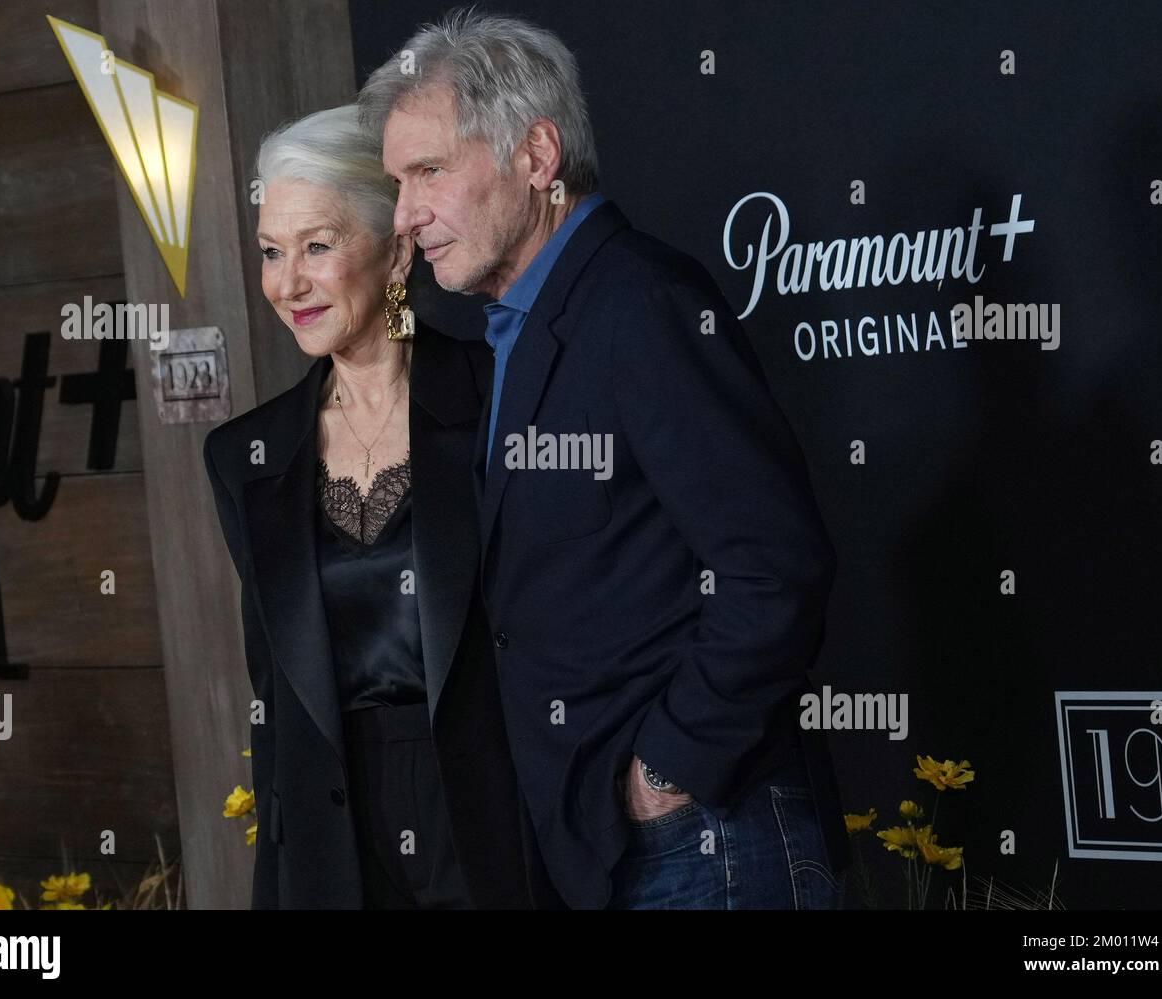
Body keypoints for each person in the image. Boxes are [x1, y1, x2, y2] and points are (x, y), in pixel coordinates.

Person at [359, 8, 850, 909]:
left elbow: (776, 568)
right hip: (614, 855)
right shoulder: (517, 329)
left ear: (537, 157)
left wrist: (665, 772)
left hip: (706, 841)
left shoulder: (640, 305)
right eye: (396, 183)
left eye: (429, 171)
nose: (405, 215)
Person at [202, 103, 557, 909]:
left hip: (499, 828)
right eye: (270, 252)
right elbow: (276, 709)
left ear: (397, 250)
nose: (286, 283)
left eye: (318, 246)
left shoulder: (502, 396)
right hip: (338, 853)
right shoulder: (245, 459)